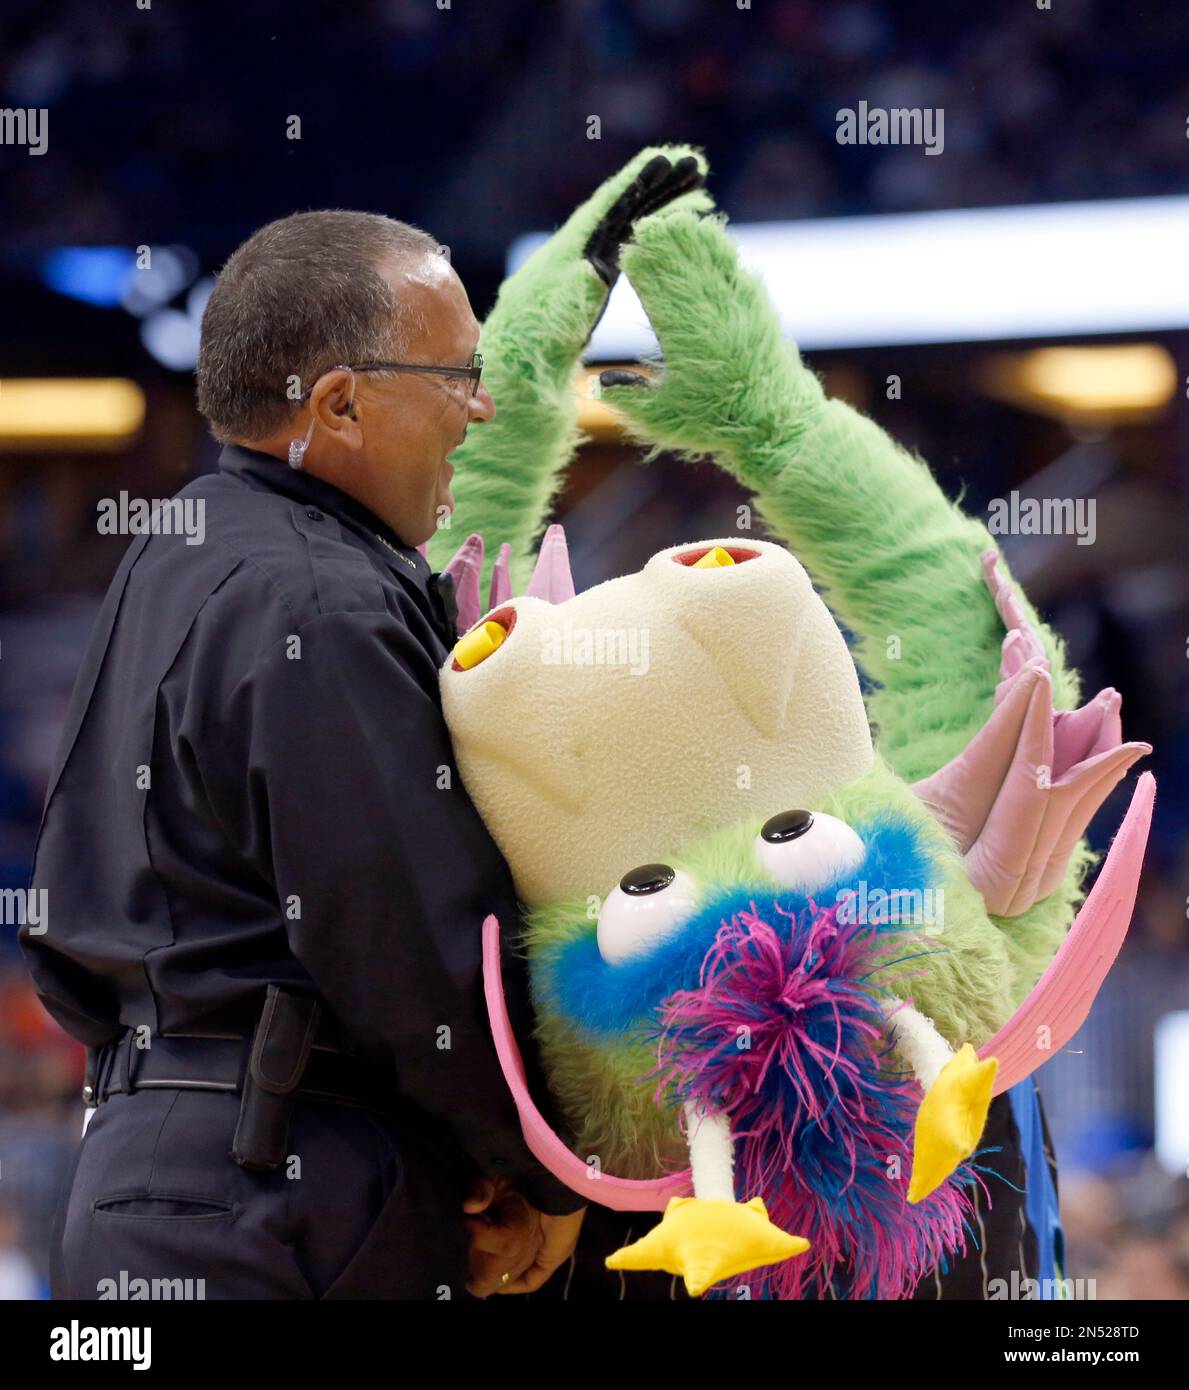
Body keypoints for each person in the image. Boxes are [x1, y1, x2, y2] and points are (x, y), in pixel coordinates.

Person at [21, 210, 587, 1299]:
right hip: (282, 1192)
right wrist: (542, 1179)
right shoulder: (321, 598)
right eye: (459, 374)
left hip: (138, 1176)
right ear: (340, 404)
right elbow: (411, 956)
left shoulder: (180, 544)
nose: (482, 405)